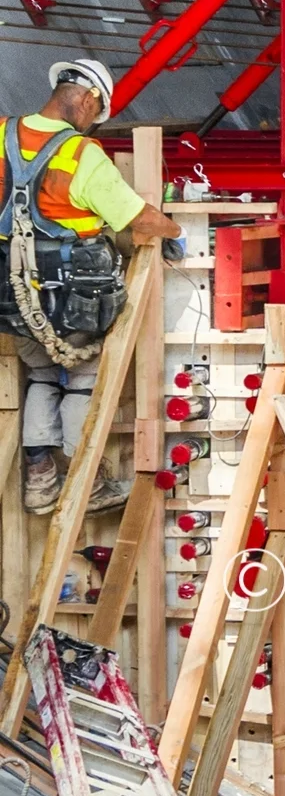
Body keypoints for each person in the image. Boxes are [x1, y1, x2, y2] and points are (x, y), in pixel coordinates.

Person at [0, 60, 181, 514]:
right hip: (72, 300)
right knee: (82, 377)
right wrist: (175, 232)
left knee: (41, 373)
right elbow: (137, 217)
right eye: (94, 114)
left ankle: (40, 482)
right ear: (86, 97)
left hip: (11, 296)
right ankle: (89, 483)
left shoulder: (1, 134)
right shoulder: (81, 155)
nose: (91, 124)